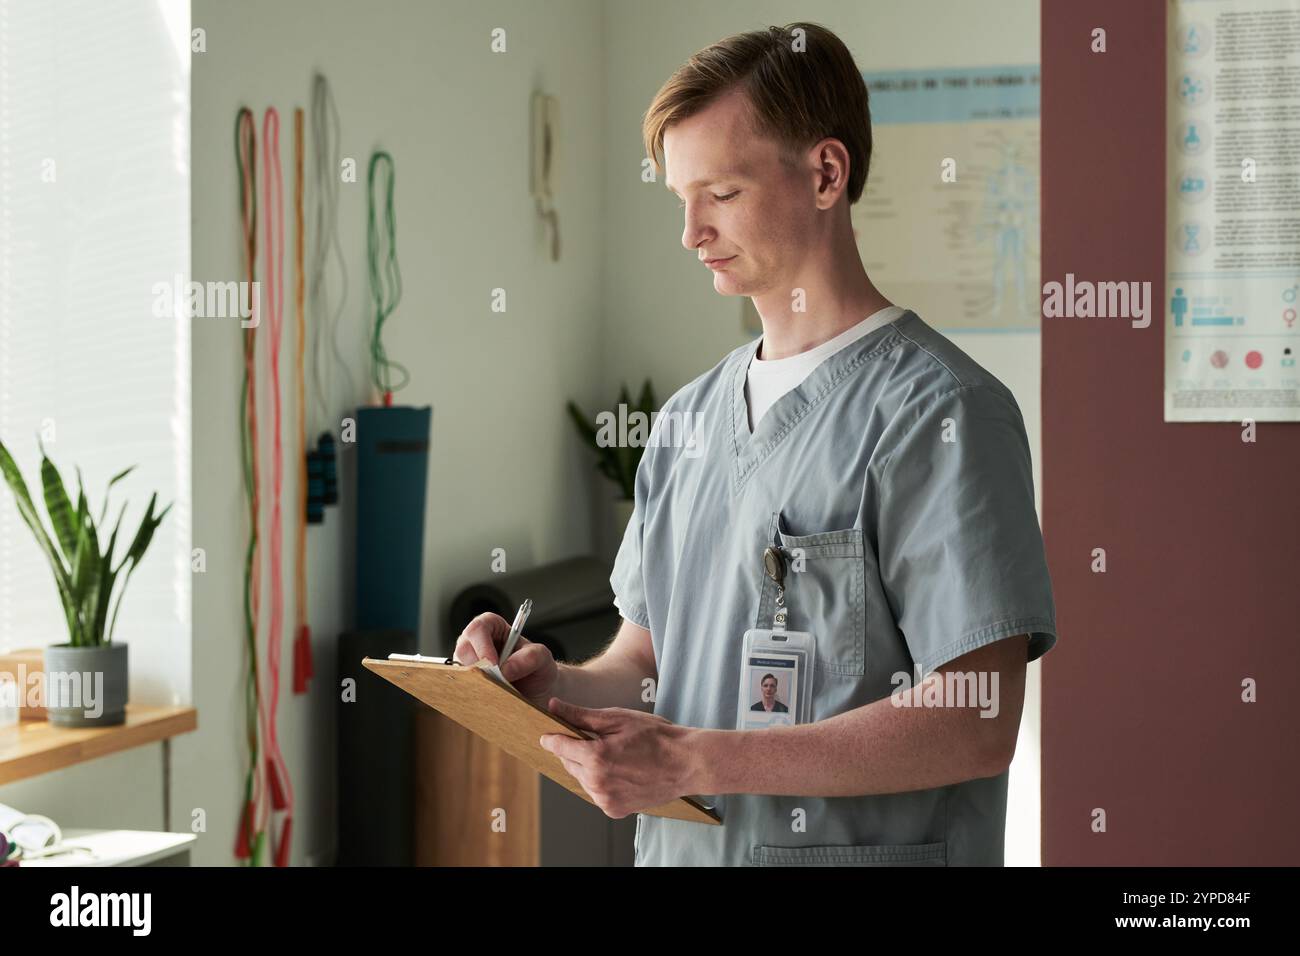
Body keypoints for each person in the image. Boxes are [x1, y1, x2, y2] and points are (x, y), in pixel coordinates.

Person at [454, 21, 1058, 866]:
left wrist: (701, 758)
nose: (691, 232)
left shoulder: (943, 413)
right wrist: (549, 685)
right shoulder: (687, 422)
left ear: (825, 173)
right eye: (680, 200)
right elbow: (650, 658)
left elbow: (976, 720)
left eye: (722, 194)